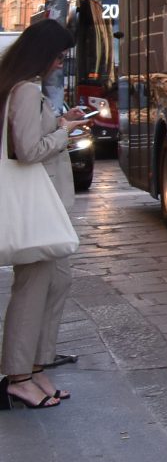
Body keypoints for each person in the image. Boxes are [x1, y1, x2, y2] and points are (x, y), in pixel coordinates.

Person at [2, 20, 83, 411]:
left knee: (56, 282)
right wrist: (65, 132)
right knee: (33, 289)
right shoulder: (25, 90)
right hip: (37, 204)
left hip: (46, 203)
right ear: (43, 54)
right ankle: (19, 377)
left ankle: (36, 367)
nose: (60, 63)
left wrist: (61, 124)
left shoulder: (21, 87)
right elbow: (28, 150)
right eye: (59, 56)